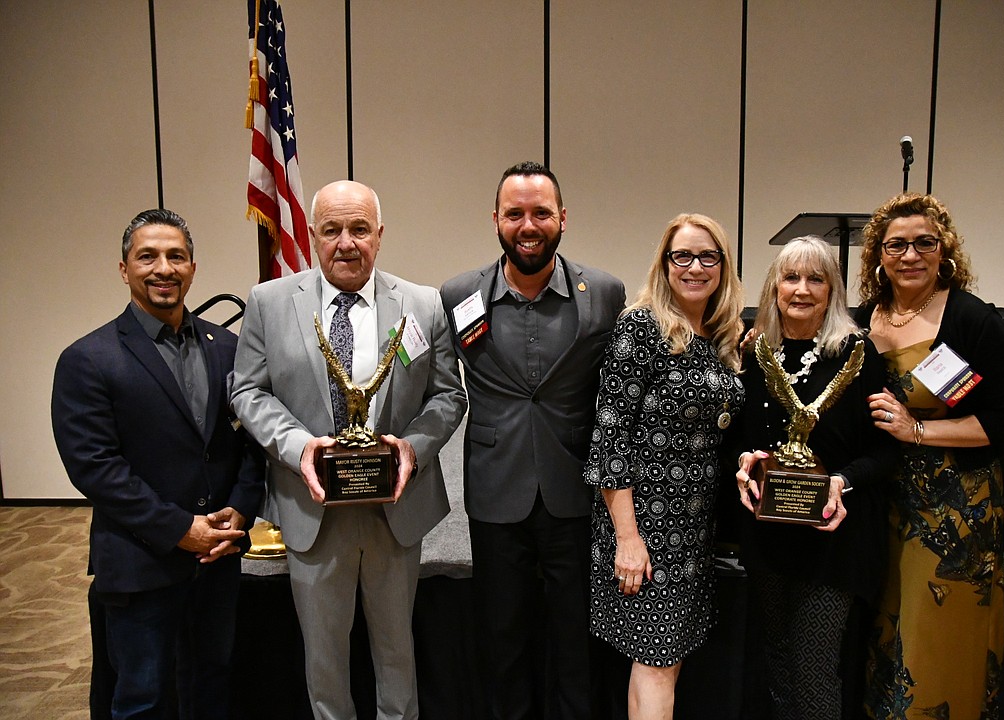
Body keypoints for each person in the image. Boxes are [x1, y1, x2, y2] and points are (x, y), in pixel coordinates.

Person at [230, 180, 467, 720]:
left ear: (379, 235)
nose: (346, 243)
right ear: (313, 235)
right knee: (324, 660)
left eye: (359, 229)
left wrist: (411, 449)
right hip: (311, 509)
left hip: (395, 510)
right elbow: (247, 391)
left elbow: (448, 395)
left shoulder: (423, 304)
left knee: (397, 652)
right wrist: (299, 448)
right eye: (332, 230)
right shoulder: (269, 303)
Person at [51, 208, 265, 719]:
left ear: (193, 267)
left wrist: (240, 509)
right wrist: (180, 530)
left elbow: (252, 443)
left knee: (211, 684)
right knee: (142, 698)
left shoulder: (228, 347)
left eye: (176, 256)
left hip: (217, 558)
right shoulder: (88, 358)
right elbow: (95, 467)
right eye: (147, 257)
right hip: (141, 561)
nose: (163, 268)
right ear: (124, 269)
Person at [440, 161, 625, 719]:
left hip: (577, 489)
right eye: (514, 213)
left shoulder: (604, 293)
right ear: (496, 219)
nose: (528, 225)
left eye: (541, 213)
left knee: (576, 640)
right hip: (495, 490)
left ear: (562, 218)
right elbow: (438, 384)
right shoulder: (458, 294)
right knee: (503, 640)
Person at [855, 193, 1004, 719]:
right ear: (879, 255)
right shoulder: (865, 319)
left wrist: (918, 431)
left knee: (938, 637)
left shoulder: (972, 320)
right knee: (887, 633)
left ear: (944, 251)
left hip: (955, 511)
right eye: (897, 245)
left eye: (924, 243)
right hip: (884, 505)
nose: (911, 255)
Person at [584, 213, 744, 719]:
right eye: (683, 256)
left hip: (694, 529)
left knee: (663, 663)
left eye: (708, 256)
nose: (695, 267)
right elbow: (610, 437)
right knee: (656, 662)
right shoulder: (641, 326)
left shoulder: (721, 335)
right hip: (645, 527)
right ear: (665, 263)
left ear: (723, 266)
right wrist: (628, 539)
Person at [733, 236, 894, 719]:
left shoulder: (858, 355)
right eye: (791, 277)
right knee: (779, 665)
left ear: (832, 291)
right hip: (769, 536)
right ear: (774, 287)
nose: (801, 289)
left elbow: (886, 450)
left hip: (833, 539)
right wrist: (744, 463)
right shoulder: (754, 352)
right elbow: (738, 438)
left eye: (815, 279)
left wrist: (841, 481)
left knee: (815, 672)